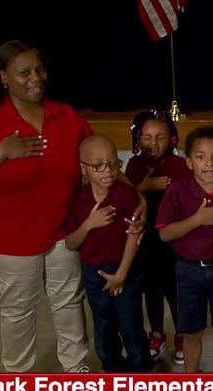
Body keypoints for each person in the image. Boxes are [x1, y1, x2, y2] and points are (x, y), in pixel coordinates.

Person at [0, 40, 128, 372]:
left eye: (39, 69)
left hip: (64, 230)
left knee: (68, 302)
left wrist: (136, 195)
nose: (35, 77)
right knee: (19, 308)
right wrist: (0, 152)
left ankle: (76, 370)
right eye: (24, 72)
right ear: (3, 77)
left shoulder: (66, 116)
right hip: (10, 238)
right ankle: (18, 376)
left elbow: (101, 160)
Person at [156, 127, 213, 373]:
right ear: (189, 161)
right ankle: (191, 383)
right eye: (200, 156)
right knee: (192, 333)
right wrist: (197, 220)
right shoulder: (177, 192)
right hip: (188, 271)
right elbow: (164, 233)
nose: (209, 163)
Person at [64, 136, 151, 372]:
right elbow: (71, 242)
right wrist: (88, 224)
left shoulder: (125, 194)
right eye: (98, 165)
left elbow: (134, 235)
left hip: (126, 269)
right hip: (95, 273)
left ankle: (139, 369)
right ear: (83, 168)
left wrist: (121, 274)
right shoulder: (79, 200)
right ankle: (112, 368)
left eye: (114, 163)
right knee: (103, 323)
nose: (108, 171)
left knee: (130, 322)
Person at [125, 110, 190, 366]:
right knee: (150, 291)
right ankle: (156, 335)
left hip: (173, 242)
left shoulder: (178, 167)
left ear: (172, 139)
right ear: (137, 139)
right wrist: (143, 187)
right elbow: (123, 199)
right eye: (146, 137)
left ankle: (182, 335)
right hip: (143, 241)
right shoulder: (133, 167)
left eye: (160, 137)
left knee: (176, 292)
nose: (153, 143)